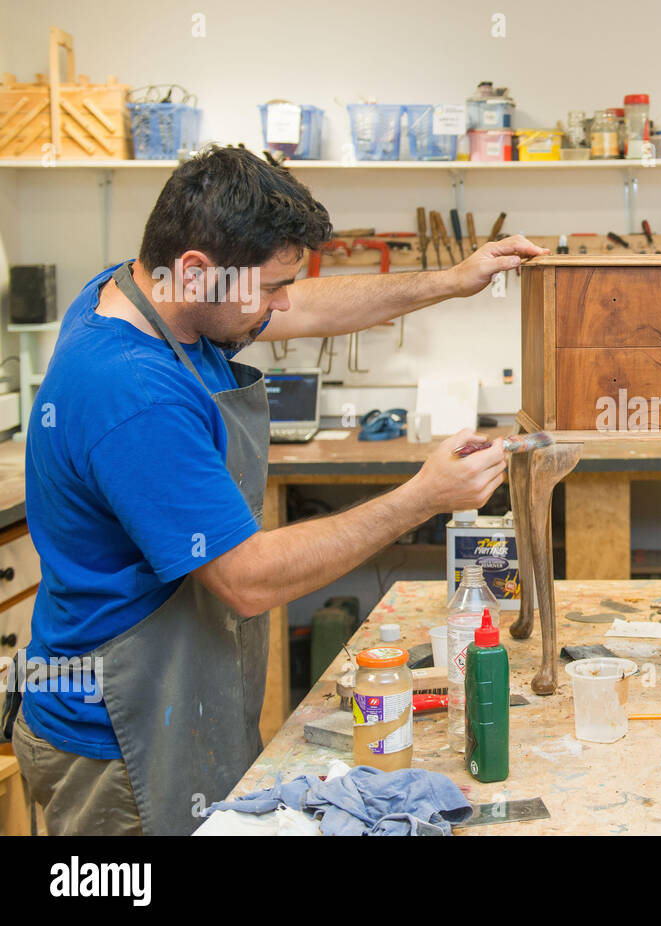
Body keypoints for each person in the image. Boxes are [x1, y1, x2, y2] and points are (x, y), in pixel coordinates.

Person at [6, 145, 545, 835]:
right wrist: (423, 498)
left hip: (174, 697)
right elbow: (248, 578)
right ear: (198, 271)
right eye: (268, 289)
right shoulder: (133, 391)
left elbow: (304, 308)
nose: (280, 306)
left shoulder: (149, 294)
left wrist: (451, 279)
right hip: (119, 744)